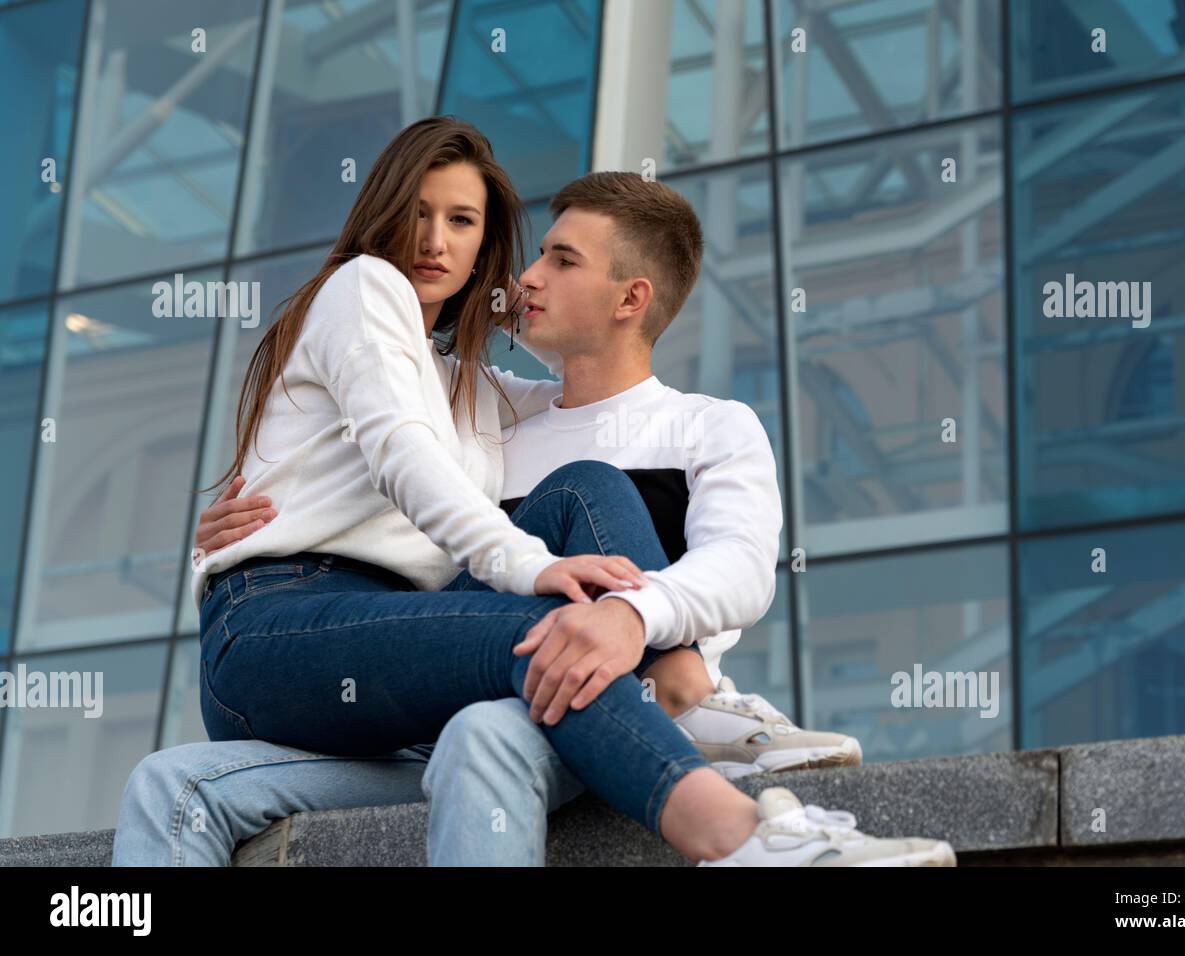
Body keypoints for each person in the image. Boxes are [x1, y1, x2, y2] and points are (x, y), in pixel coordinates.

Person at [113, 118, 956, 867]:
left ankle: (686, 699)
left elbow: (741, 569)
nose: (439, 242)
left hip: (476, 695)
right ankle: (736, 832)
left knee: (579, 503)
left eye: (553, 256)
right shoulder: (425, 356)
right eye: (419, 212)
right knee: (553, 618)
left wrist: (631, 618)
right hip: (336, 642)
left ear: (632, 298)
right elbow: (395, 446)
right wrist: (252, 531)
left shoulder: (700, 423)